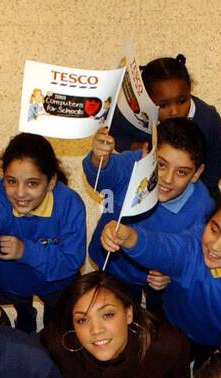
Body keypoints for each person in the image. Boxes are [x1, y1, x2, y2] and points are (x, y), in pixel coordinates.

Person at [99, 190, 221, 351]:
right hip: (173, 320)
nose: (214, 245)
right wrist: (130, 237)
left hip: (217, 339)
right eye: (214, 229)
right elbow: (166, 249)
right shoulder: (194, 246)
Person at [0, 133, 87, 334]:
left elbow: (71, 259)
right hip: (10, 279)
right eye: (11, 181)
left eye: (32, 183)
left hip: (56, 281)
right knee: (20, 306)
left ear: (51, 181)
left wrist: (25, 251)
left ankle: (49, 324)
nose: (19, 193)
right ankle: (25, 312)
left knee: (56, 324)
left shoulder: (70, 205)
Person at [42, 272, 191, 378]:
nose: (96, 330)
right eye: (82, 320)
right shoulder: (57, 346)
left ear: (128, 314)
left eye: (108, 315)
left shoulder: (166, 346)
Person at [83, 119, 212, 303]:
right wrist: (99, 159)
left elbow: (187, 254)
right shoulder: (133, 165)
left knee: (156, 313)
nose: (167, 179)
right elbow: (103, 178)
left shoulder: (201, 205)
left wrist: (171, 276)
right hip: (113, 264)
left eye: (182, 172)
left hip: (157, 276)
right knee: (118, 306)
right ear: (146, 153)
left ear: (197, 173)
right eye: (161, 164)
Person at [108, 54, 221, 199]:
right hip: (149, 184)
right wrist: (134, 145)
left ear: (190, 91)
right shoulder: (135, 114)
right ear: (146, 100)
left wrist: (190, 193)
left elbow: (214, 172)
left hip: (195, 189)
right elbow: (116, 133)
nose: (175, 112)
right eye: (163, 105)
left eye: (182, 100)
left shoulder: (208, 120)